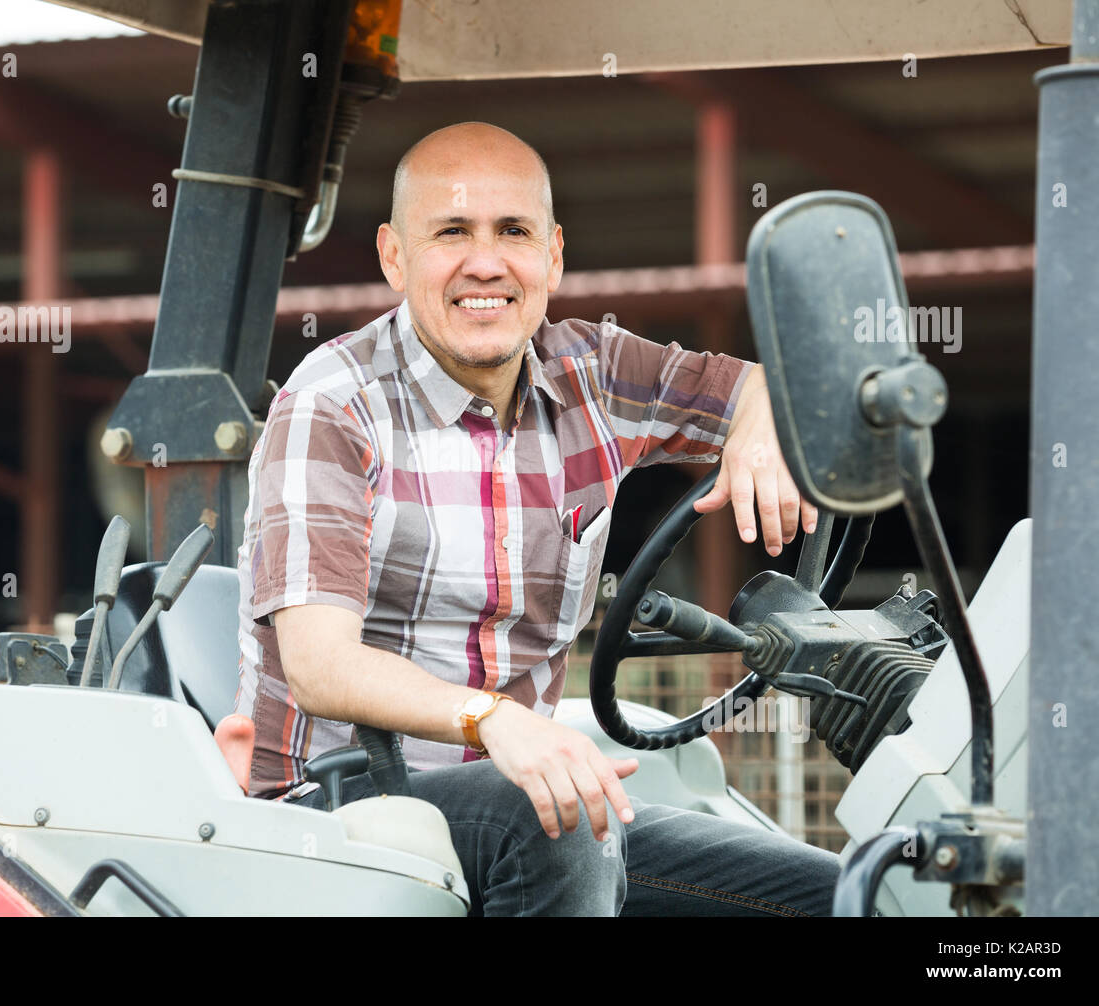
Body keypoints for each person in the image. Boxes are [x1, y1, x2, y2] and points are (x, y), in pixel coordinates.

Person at [222, 121, 841, 916]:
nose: (486, 262)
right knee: (559, 825)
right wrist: (495, 722)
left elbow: (755, 384)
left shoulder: (594, 372)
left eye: (511, 231)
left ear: (551, 255)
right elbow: (319, 663)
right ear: (394, 257)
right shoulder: (333, 404)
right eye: (452, 232)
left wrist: (760, 421)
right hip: (338, 810)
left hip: (527, 795)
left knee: (839, 894)